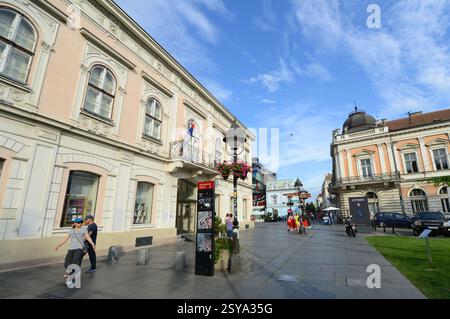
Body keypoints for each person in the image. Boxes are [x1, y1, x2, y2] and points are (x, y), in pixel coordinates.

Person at [55, 217, 95, 286]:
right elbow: (65, 239)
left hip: (79, 248)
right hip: (71, 248)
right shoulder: (71, 230)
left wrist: (92, 244)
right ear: (75, 223)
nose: (80, 224)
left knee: (74, 263)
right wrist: (58, 245)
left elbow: (88, 237)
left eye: (81, 222)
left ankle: (69, 280)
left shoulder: (83, 229)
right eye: (79, 222)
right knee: (66, 263)